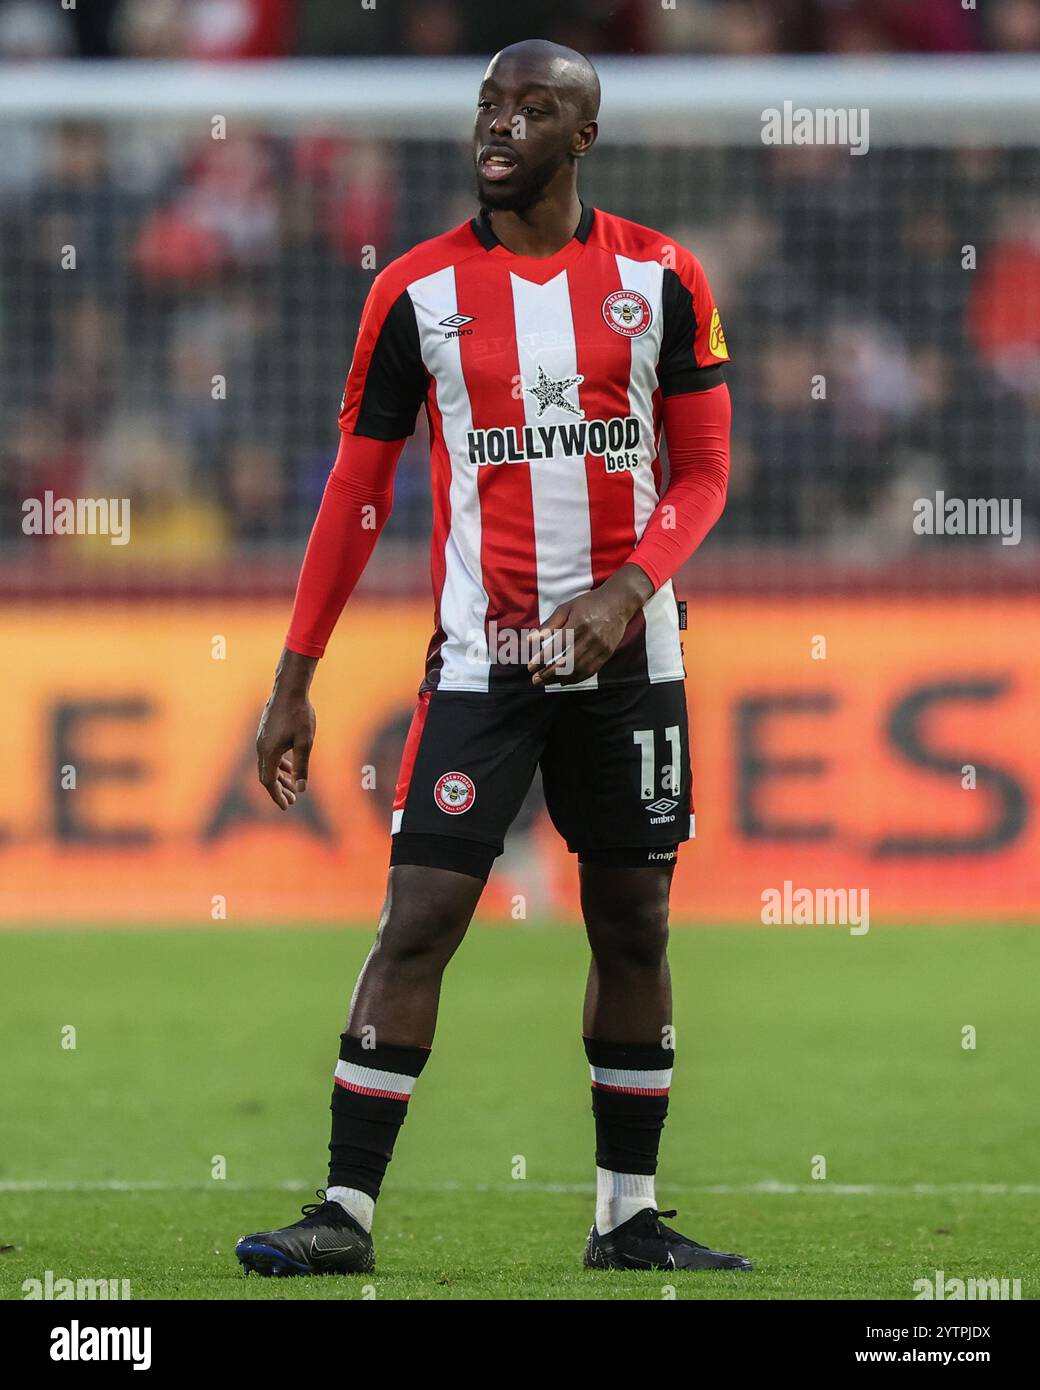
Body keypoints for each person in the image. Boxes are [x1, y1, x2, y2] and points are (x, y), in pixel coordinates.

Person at [236, 38, 748, 1276]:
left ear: (581, 136)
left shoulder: (665, 278)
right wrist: (293, 678)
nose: (498, 126)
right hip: (481, 657)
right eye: (487, 106)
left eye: (531, 108)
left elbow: (705, 472)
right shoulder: (413, 293)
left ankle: (626, 1216)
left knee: (631, 920)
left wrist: (626, 590)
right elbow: (355, 493)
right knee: (418, 918)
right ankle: (343, 1216)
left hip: (631, 660)